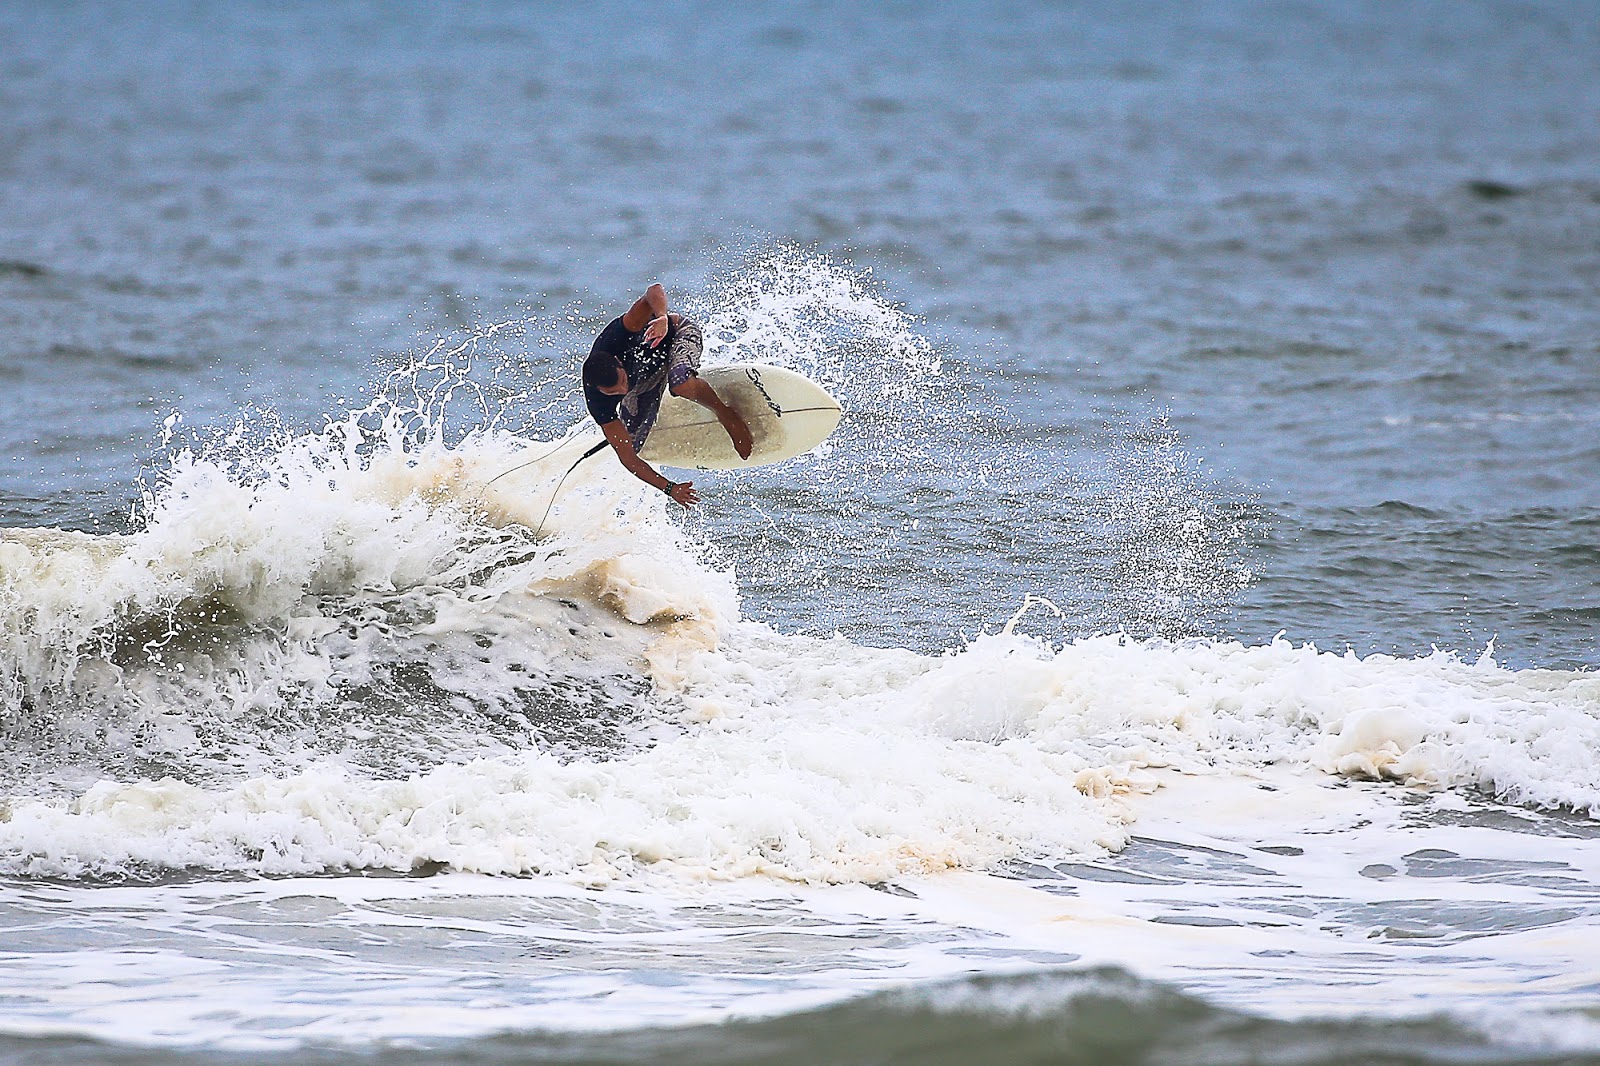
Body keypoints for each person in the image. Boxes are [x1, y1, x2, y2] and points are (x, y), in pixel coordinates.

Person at [582, 283, 752, 507]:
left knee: (680, 383)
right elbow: (627, 458)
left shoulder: (619, 335)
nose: (622, 391)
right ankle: (662, 398)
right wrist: (669, 488)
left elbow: (654, 290)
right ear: (600, 390)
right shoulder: (598, 403)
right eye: (613, 392)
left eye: (622, 382)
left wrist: (661, 318)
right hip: (647, 378)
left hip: (677, 336)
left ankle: (725, 414)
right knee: (632, 444)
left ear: (618, 363)